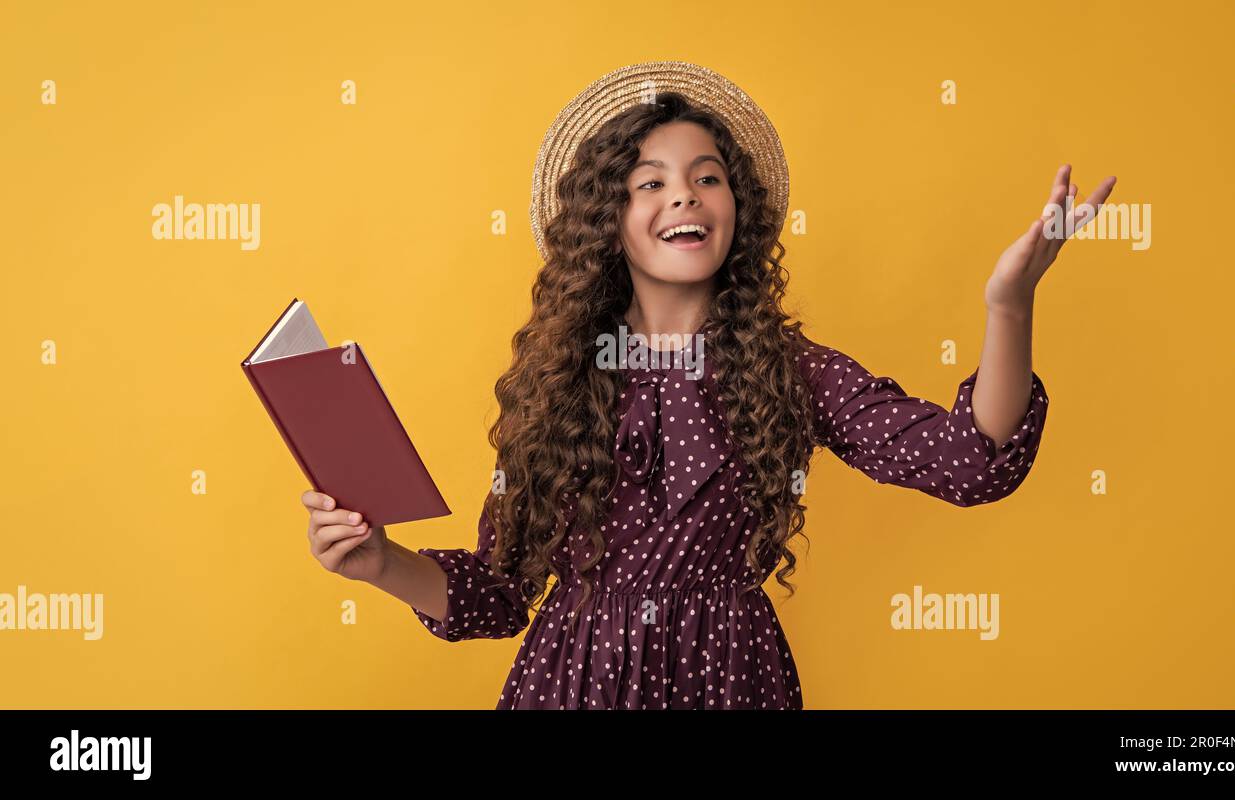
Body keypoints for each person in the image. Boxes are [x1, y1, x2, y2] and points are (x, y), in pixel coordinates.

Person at [300, 61, 1114, 709]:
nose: (683, 193)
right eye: (649, 181)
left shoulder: (791, 370)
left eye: (707, 176)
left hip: (732, 681)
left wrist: (1008, 305)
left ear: (736, 209)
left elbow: (970, 462)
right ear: (605, 221)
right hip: (572, 685)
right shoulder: (556, 385)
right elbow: (502, 592)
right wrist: (380, 562)